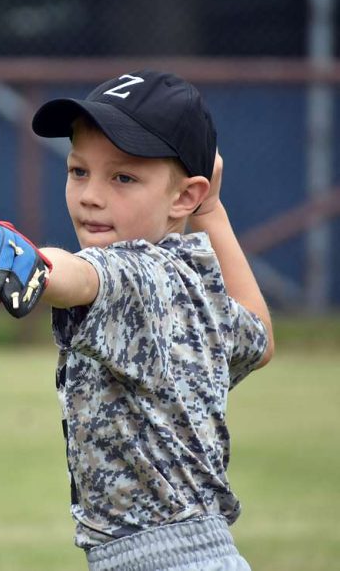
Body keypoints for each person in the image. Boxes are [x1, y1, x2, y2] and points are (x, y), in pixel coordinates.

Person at [27, 69, 275, 570]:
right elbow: (257, 336)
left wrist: (12, 260)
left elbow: (75, 276)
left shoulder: (137, 273)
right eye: (79, 171)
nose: (91, 194)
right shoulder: (193, 284)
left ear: (184, 196)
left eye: (123, 177)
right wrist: (213, 210)